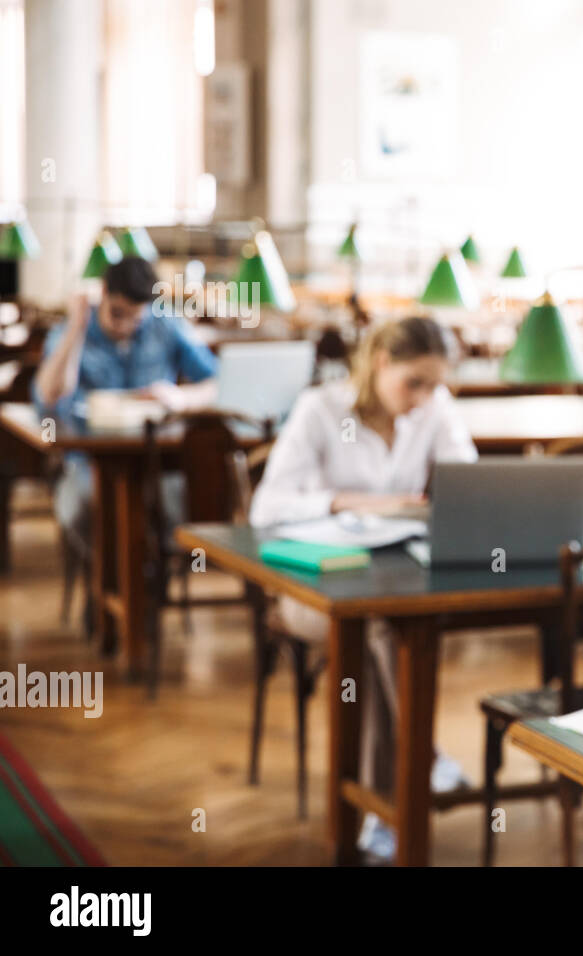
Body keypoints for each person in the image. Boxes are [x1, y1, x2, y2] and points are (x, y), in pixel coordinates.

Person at [248, 315, 477, 860]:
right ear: (380, 364)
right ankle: (411, 771)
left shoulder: (433, 410)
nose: (423, 397)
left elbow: (467, 485)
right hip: (310, 587)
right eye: (413, 383)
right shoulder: (320, 410)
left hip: (393, 579)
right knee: (378, 625)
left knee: (383, 622)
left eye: (435, 384)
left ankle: (386, 807)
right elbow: (267, 508)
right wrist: (350, 501)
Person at [32, 255, 219, 537]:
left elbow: (216, 381)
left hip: (156, 458)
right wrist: (76, 328)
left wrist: (180, 397)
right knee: (83, 509)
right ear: (103, 293)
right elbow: (50, 394)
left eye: (135, 316)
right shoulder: (74, 329)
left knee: (189, 503)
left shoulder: (165, 324)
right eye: (117, 313)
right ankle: (111, 577)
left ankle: (153, 576)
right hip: (88, 461)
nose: (125, 325)